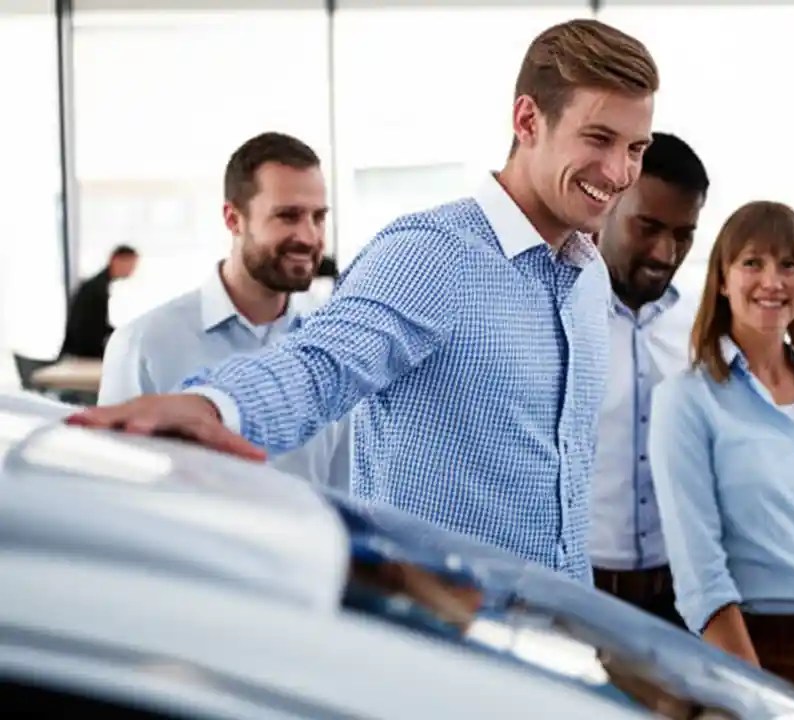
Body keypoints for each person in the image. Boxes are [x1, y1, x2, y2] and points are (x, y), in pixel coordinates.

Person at [66, 19, 659, 584]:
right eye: (599, 138)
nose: (619, 170)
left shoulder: (588, 280)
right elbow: (320, 361)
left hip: (556, 632)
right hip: (438, 639)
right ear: (528, 120)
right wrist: (214, 406)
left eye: (636, 148)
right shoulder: (434, 254)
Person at [648, 200, 794, 686]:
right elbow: (701, 578)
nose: (772, 281)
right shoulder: (687, 402)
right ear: (722, 279)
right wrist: (753, 694)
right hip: (765, 657)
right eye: (752, 262)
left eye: (790, 265)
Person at [98, 132, 350, 492]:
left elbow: (344, 490)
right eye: (288, 216)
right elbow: (118, 492)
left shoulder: (332, 341)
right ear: (234, 219)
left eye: (318, 217)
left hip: (311, 547)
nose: (309, 237)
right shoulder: (144, 344)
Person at [589, 131, 709, 624]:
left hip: (681, 596)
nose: (665, 252)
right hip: (580, 590)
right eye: (648, 227)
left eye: (684, 235)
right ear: (610, 204)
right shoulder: (560, 315)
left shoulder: (704, 330)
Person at [60, 245, 138, 359]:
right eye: (131, 265)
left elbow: (98, 325)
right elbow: (90, 331)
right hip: (80, 356)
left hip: (80, 351)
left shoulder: (98, 285)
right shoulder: (96, 289)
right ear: (115, 260)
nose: (132, 270)